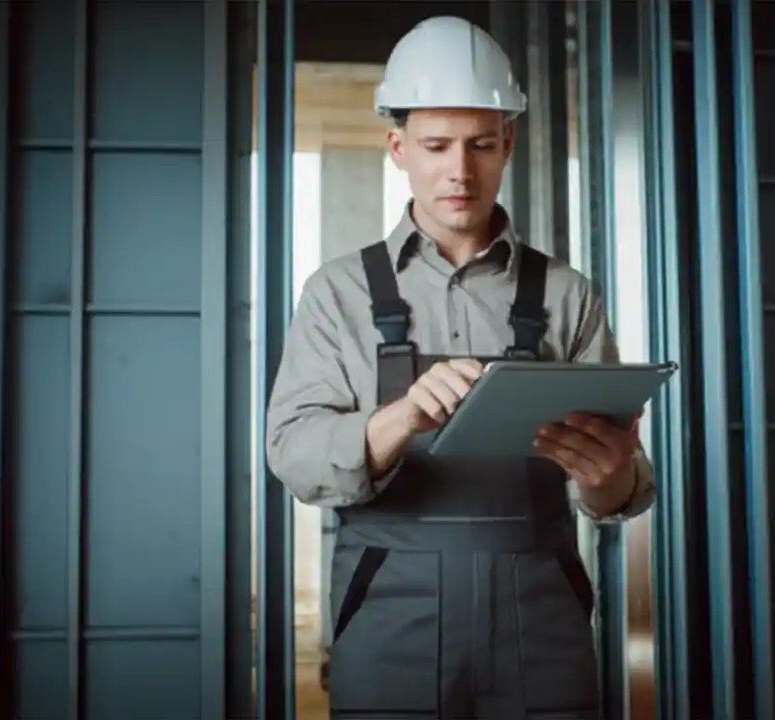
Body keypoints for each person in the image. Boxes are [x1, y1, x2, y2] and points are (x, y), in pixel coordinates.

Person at [264, 15, 656, 720]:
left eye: (481, 144)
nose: (460, 170)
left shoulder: (566, 295)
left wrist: (610, 477)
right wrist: (399, 419)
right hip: (389, 617)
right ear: (398, 149)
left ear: (508, 143)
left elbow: (617, 489)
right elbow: (293, 456)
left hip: (541, 620)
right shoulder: (338, 294)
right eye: (436, 145)